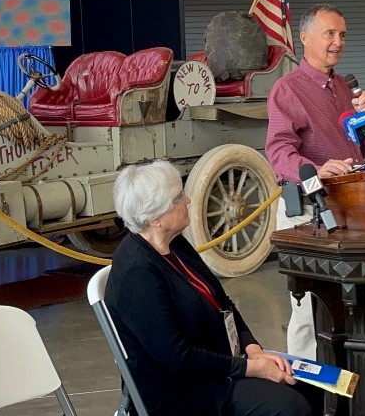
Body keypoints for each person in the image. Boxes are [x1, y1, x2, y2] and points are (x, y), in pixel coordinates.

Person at [105, 160, 321, 416]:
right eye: (178, 198)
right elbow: (179, 358)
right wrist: (251, 368)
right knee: (291, 406)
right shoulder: (136, 273)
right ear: (155, 219)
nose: (188, 200)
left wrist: (253, 348)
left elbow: (223, 303)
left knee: (314, 386)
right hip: (182, 391)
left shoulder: (175, 244)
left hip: (219, 364)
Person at [265, 3, 365, 359]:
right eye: (330, 33)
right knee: (310, 312)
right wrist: (316, 169)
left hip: (350, 208)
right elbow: (279, 151)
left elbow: (358, 143)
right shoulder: (288, 89)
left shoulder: (344, 86)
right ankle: (309, 391)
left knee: (350, 305)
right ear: (305, 38)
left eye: (342, 35)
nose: (338, 42)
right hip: (308, 212)